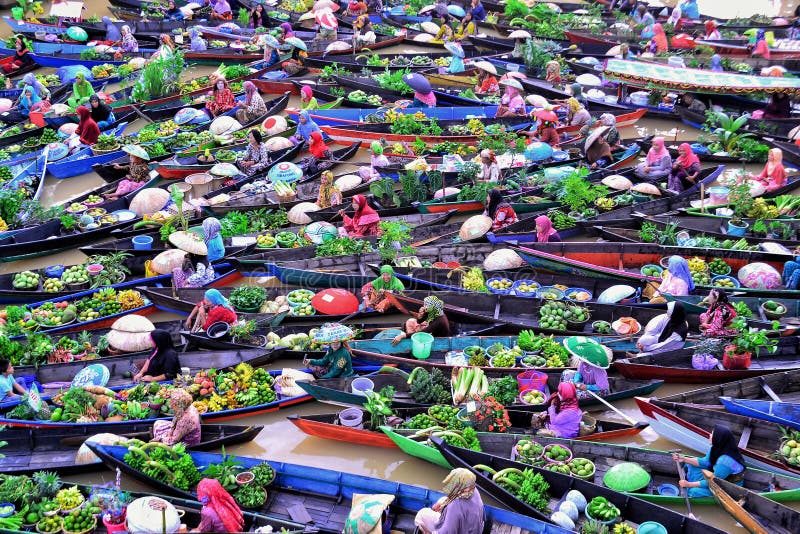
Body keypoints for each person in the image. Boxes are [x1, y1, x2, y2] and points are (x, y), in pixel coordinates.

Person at [672, 424, 746, 498]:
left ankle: (690, 485)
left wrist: (689, 484)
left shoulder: (725, 462)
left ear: (718, 438)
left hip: (728, 487)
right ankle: (691, 483)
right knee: (691, 465)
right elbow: (705, 462)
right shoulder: (717, 447)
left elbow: (713, 481)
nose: (709, 435)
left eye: (712, 434)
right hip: (717, 475)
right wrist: (684, 459)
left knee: (694, 491)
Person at [414, 468, 485, 534]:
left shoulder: (454, 507)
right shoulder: (473, 489)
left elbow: (447, 532)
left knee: (421, 514)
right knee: (442, 499)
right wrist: (442, 504)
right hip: (474, 528)